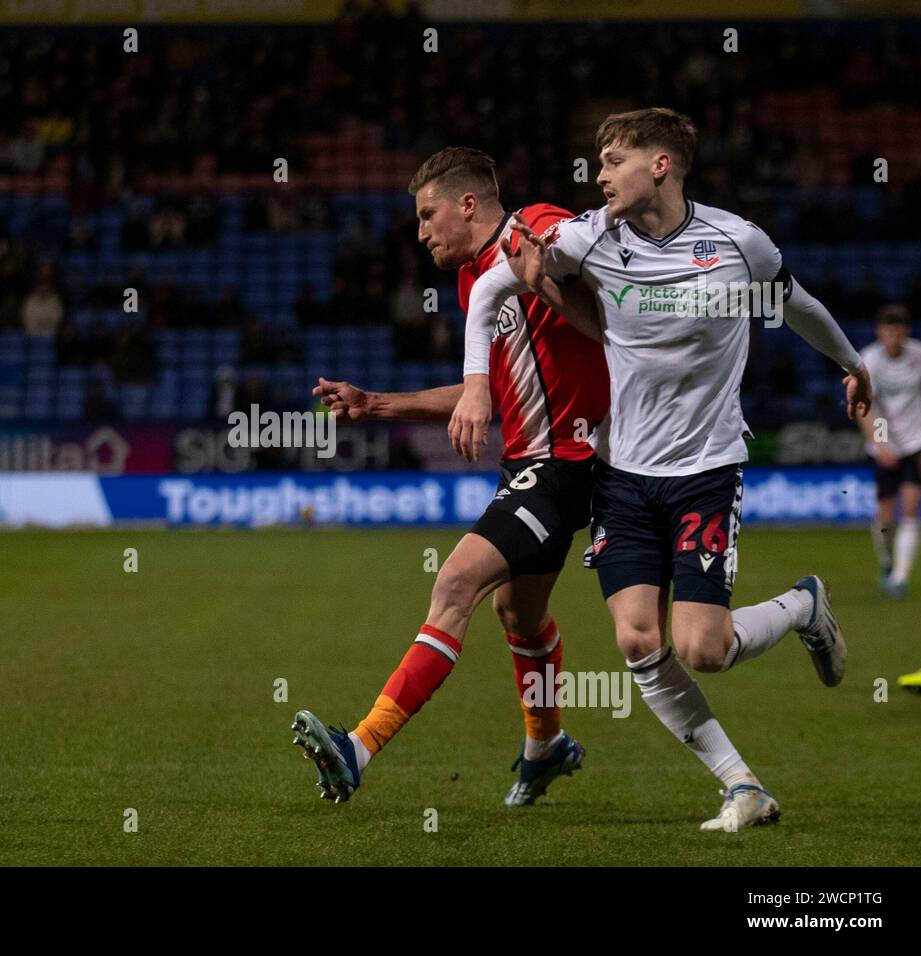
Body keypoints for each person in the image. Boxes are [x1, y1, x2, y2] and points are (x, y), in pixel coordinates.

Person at [462, 108, 872, 831]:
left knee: (702, 650)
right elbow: (497, 285)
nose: (599, 173)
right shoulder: (589, 236)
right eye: (597, 159)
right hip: (620, 476)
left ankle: (804, 605)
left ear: (661, 165)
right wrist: (474, 381)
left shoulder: (738, 243)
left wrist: (853, 364)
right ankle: (742, 786)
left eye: (614, 158)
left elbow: (798, 306)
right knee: (636, 641)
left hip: (706, 471)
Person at [293, 147, 608, 806]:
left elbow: (592, 267)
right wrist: (377, 403)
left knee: (457, 580)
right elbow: (486, 390)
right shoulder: (475, 279)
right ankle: (545, 744)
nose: (420, 231)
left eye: (427, 213)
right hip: (529, 465)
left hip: (569, 463)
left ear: (469, 204)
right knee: (518, 615)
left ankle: (359, 746)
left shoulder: (534, 229)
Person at [856, 304, 921, 598]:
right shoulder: (869, 359)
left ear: (906, 332)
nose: (893, 337)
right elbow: (864, 407)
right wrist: (880, 443)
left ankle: (900, 577)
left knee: (912, 508)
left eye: (898, 331)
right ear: (879, 332)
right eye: (887, 331)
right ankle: (887, 562)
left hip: (916, 440)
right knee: (885, 517)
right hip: (885, 437)